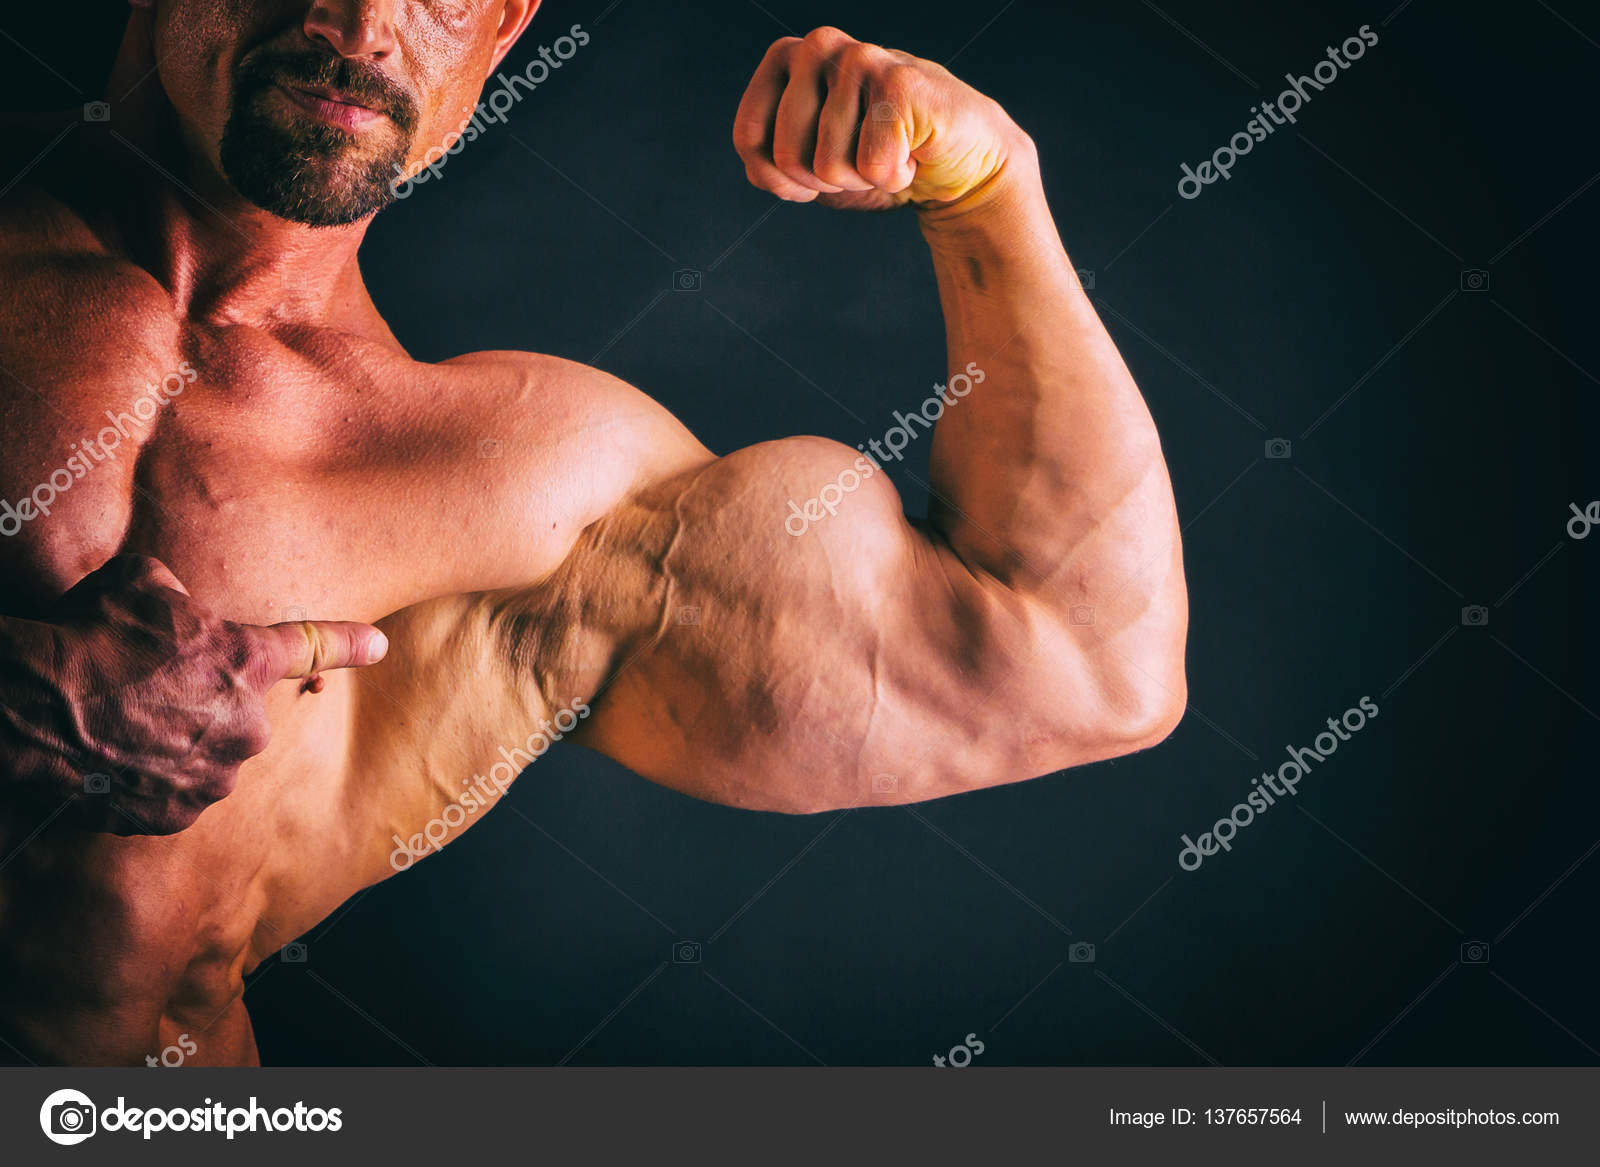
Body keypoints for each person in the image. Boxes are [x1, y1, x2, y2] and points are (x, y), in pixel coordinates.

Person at [0, 0, 1187, 1065]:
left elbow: (1076, 663)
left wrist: (988, 196)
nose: (360, 24)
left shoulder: (516, 485)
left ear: (503, 31)